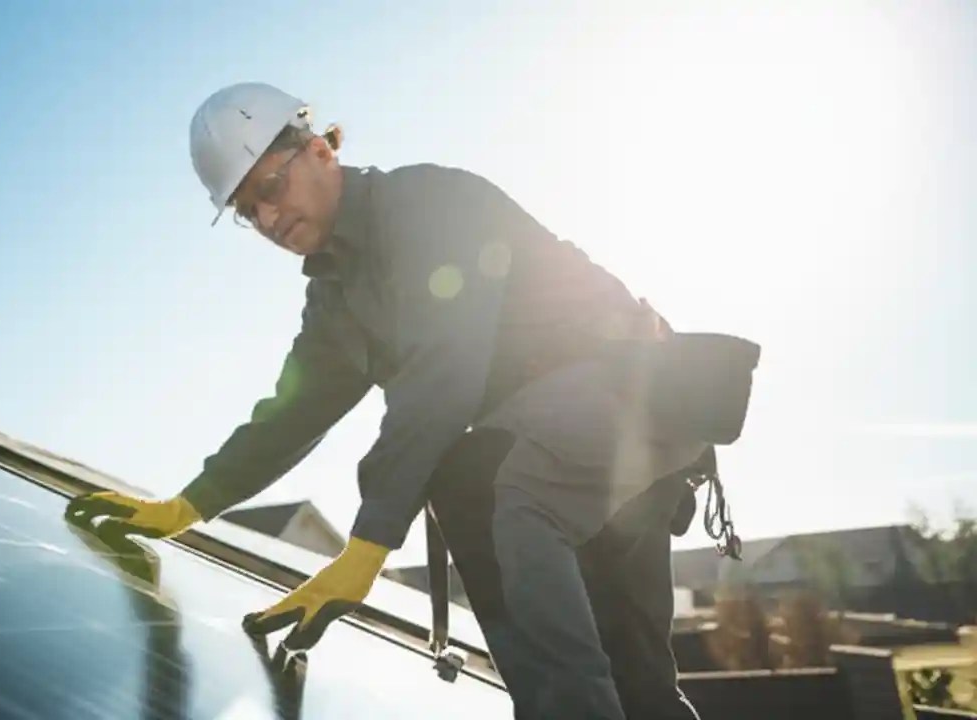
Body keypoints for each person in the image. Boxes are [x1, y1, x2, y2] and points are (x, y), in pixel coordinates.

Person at [66, 81, 756, 719]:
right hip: (573, 447)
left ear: (320, 150)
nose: (268, 217)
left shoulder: (429, 205)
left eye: (270, 187)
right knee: (635, 677)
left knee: (494, 489)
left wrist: (368, 546)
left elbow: (443, 372)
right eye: (248, 211)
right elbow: (292, 412)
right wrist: (189, 506)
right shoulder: (338, 296)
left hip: (633, 399)